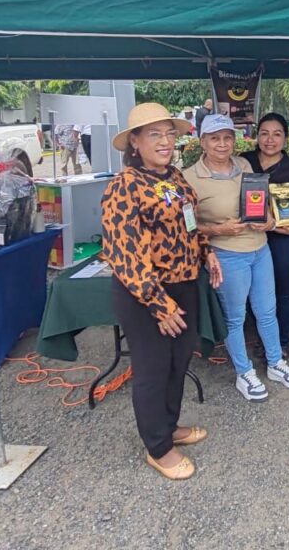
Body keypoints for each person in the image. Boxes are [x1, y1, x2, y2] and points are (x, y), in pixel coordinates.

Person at [99, 103, 223, 481]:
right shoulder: (124, 186)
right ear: (135, 142)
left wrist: (207, 251)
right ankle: (157, 447)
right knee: (153, 369)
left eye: (170, 134)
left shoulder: (175, 179)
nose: (166, 141)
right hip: (146, 296)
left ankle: (168, 427)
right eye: (155, 134)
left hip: (184, 285)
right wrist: (158, 303)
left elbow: (187, 227)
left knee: (178, 362)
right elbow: (124, 253)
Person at [183, 114, 289, 402]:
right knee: (235, 317)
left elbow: (258, 202)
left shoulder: (244, 165)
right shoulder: (188, 178)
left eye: (227, 137)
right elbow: (184, 227)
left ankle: (276, 363)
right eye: (215, 138)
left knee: (267, 311)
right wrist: (217, 229)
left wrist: (269, 221)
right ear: (203, 142)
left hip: (260, 248)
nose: (222, 144)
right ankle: (244, 372)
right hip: (228, 254)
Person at [244, 113, 289, 358]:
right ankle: (262, 338)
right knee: (252, 289)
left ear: (286, 139)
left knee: (283, 290)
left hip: (284, 238)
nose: (270, 140)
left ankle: (282, 340)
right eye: (264, 133)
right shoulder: (244, 162)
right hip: (249, 237)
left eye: (277, 134)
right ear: (256, 136)